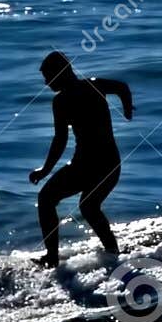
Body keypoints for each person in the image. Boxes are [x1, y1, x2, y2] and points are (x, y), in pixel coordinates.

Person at [29, 51, 133, 268]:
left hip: (99, 165)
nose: (46, 83)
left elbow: (60, 140)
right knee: (83, 205)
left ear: (62, 72)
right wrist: (126, 109)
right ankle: (109, 253)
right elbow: (121, 88)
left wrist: (45, 170)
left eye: (48, 77)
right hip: (98, 164)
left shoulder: (70, 97)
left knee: (74, 204)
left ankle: (56, 258)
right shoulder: (85, 89)